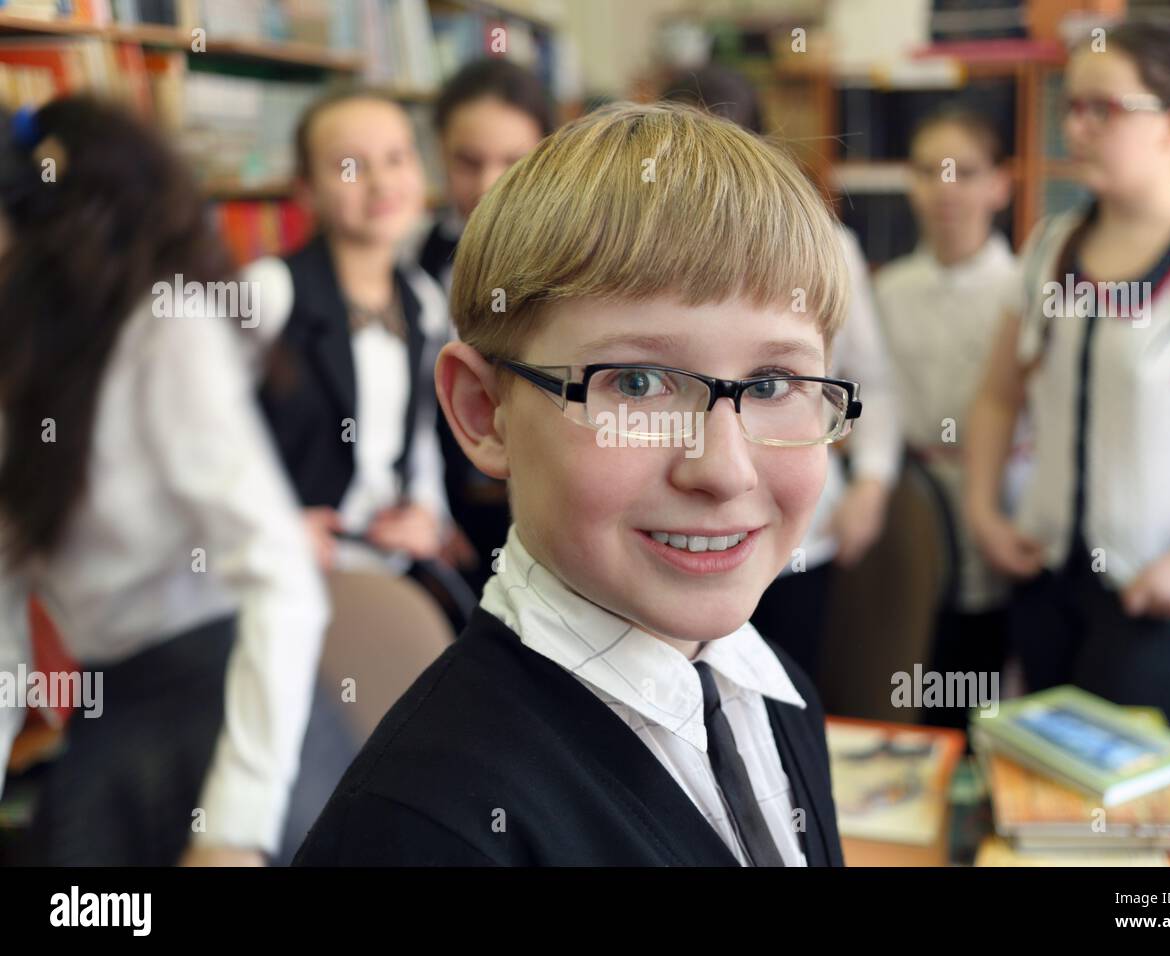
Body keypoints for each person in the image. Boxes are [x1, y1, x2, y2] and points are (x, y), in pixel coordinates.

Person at [295, 102, 852, 865]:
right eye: (641, 382)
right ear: (484, 410)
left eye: (772, 383)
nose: (723, 468)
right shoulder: (424, 832)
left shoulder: (777, 696)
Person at [0, 96, 327, 865]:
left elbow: (283, 577)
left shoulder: (163, 333)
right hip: (110, 727)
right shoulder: (18, 375)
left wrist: (233, 829)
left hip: (232, 721)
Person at [964, 21, 1170, 738]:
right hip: (1046, 582)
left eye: (1105, 109)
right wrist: (984, 513)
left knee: (1125, 821)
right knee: (1046, 799)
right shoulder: (1051, 244)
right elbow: (997, 397)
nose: (1077, 127)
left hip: (1166, 595)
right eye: (1071, 106)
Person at [662, 65, 901, 683]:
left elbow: (868, 377)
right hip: (673, 532)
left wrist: (871, 482)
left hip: (796, 534)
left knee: (781, 691)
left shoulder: (827, 246)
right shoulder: (643, 258)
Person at [245, 90, 463, 588]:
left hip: (387, 569)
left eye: (396, 158)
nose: (382, 181)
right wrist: (272, 527)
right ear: (305, 188)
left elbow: (421, 432)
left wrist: (427, 513)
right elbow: (201, 435)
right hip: (285, 573)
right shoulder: (268, 291)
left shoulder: (424, 300)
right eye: (350, 166)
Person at [873, 106, 1027, 729]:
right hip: (909, 501)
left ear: (1000, 184)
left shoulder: (1019, 291)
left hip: (996, 501)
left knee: (984, 677)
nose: (946, 190)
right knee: (910, 665)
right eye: (929, 172)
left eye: (965, 172)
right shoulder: (889, 289)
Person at [417, 59, 555, 595]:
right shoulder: (413, 257)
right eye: (467, 162)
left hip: (552, 502)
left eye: (512, 161)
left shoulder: (582, 260)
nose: (487, 185)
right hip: (452, 512)